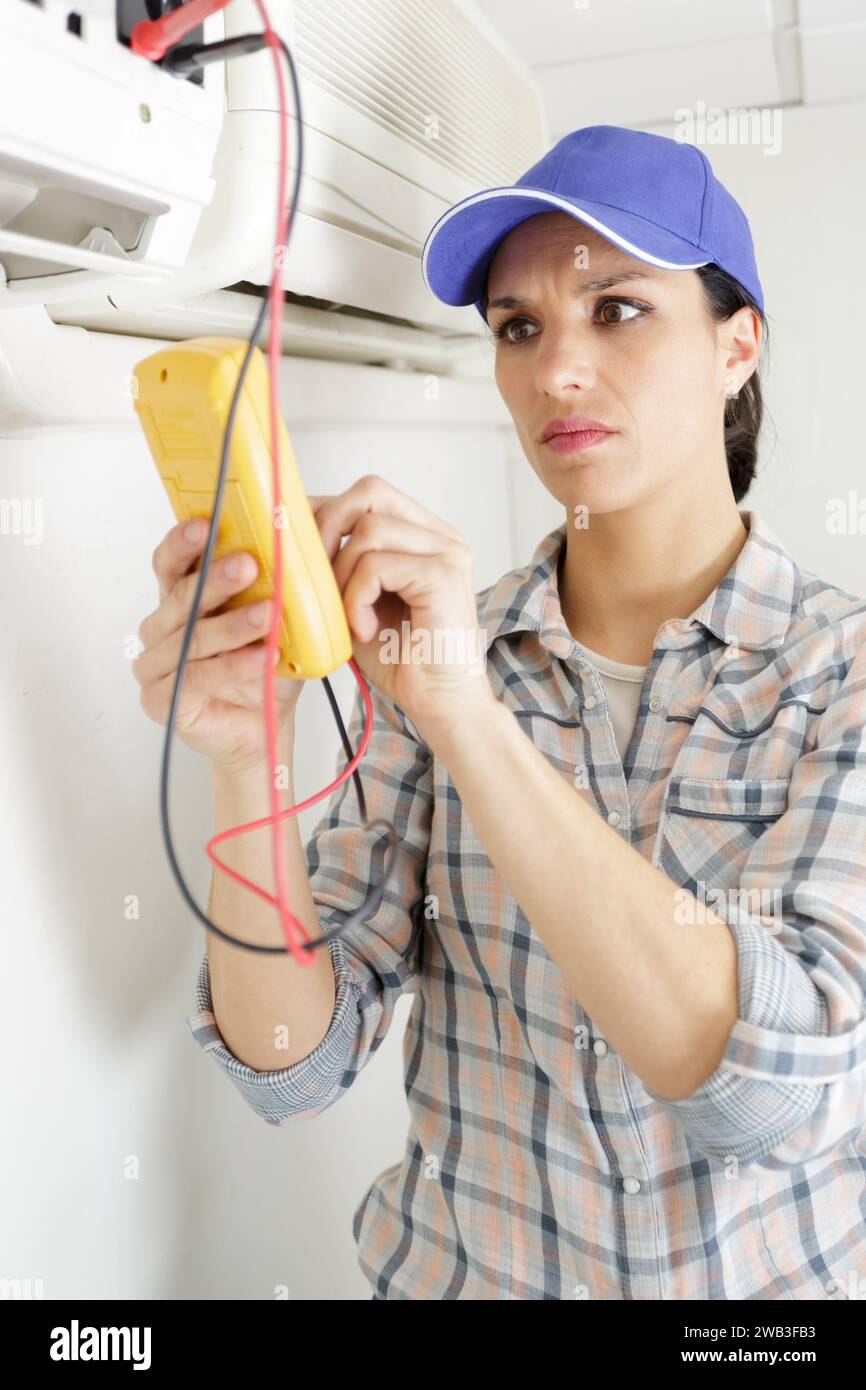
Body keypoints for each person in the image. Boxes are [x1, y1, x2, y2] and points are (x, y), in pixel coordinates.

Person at [134, 125, 866, 1301]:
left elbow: (770, 1092)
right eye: (517, 327)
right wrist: (243, 763)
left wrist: (465, 715)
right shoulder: (437, 655)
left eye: (615, 309)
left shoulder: (840, 675)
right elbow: (290, 1065)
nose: (553, 371)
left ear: (737, 347)